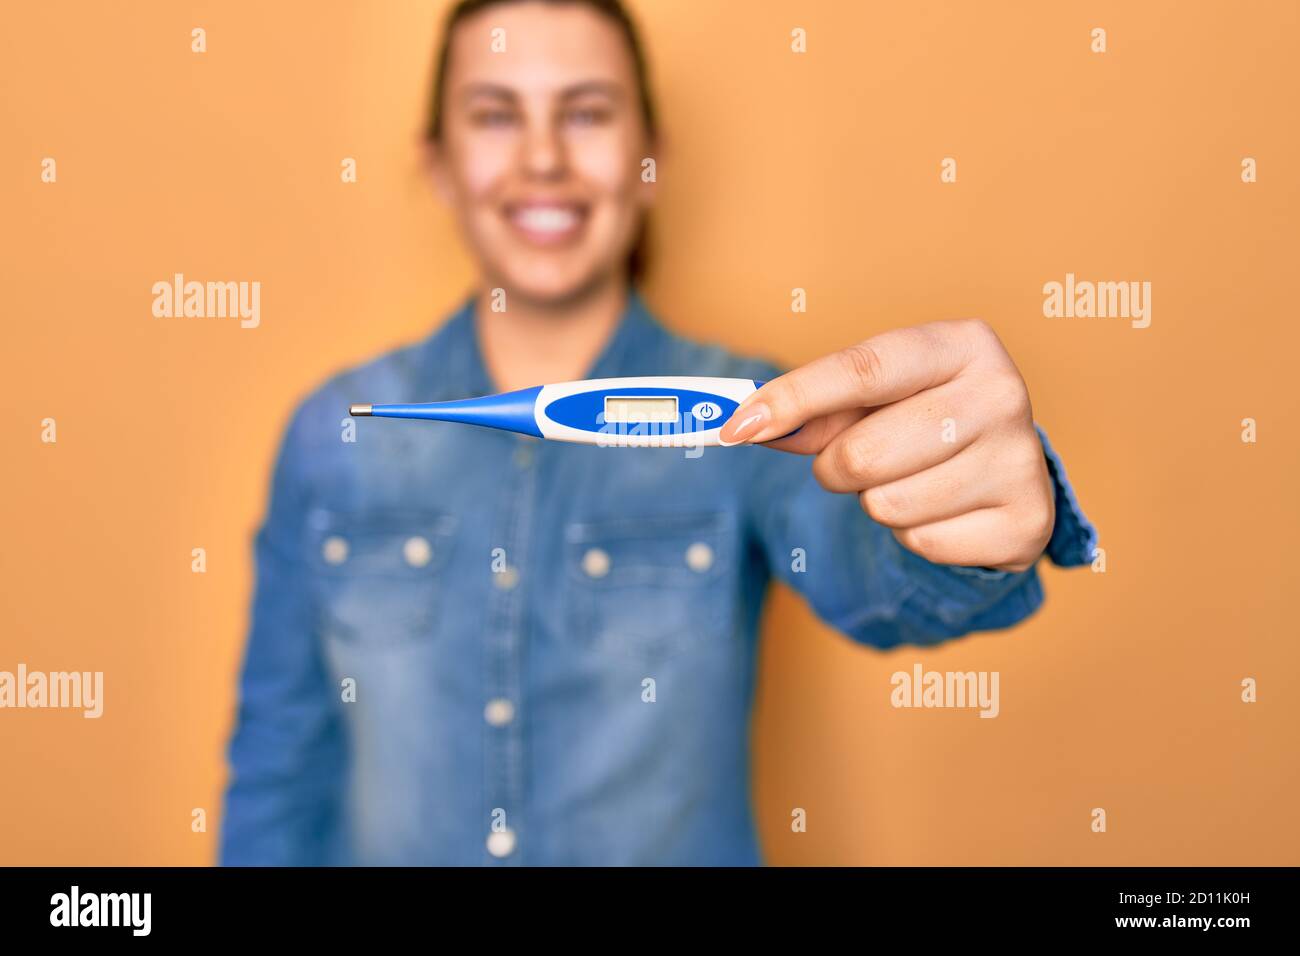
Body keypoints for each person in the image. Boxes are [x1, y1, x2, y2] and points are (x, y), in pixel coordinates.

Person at [220, 0, 1096, 866]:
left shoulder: (758, 415)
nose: (543, 158)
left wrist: (977, 529)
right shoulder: (333, 434)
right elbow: (277, 764)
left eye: (587, 112)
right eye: (495, 115)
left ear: (649, 162)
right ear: (439, 165)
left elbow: (882, 579)